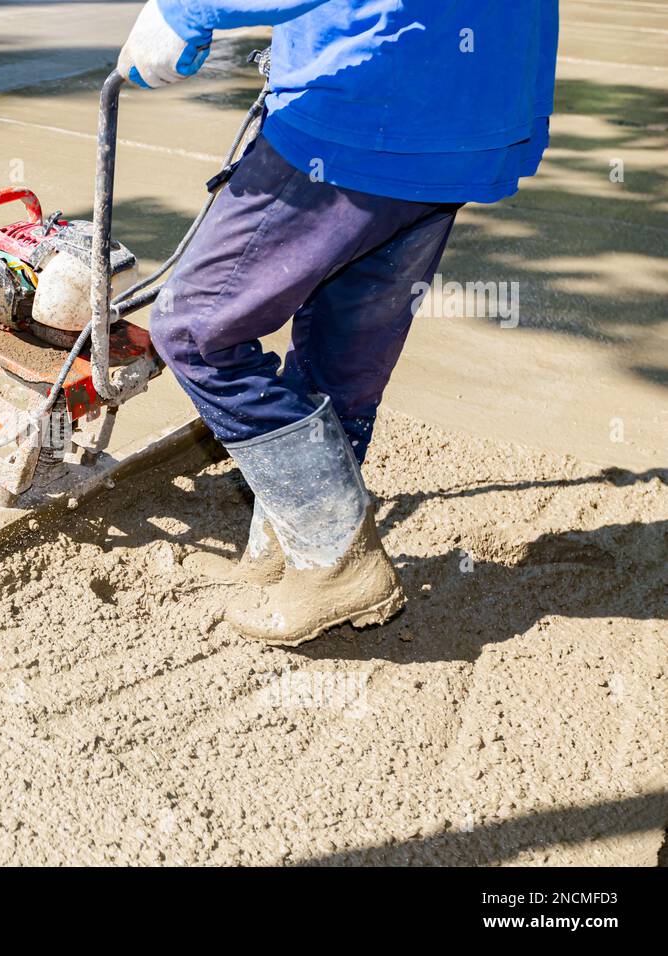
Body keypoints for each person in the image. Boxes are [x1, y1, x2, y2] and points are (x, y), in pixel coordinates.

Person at [116, 0, 559, 645]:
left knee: (195, 329)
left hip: (364, 103)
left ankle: (334, 560)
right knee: (341, 349)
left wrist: (189, 9)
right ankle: (287, 546)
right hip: (466, 110)